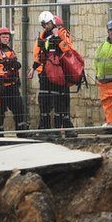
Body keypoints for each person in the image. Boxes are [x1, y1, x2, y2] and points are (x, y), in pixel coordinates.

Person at [31, 10, 75, 138]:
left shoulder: (62, 33)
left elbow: (67, 49)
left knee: (60, 101)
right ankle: (45, 129)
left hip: (60, 72)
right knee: (44, 100)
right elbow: (40, 55)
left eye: (48, 23)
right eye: (44, 24)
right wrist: (33, 68)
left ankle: (60, 129)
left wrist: (57, 39)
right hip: (46, 72)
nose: (47, 26)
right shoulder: (43, 36)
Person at [0, 27, 27, 134]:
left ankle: (21, 131)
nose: (5, 39)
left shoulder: (11, 51)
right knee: (0, 111)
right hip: (1, 86)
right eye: (3, 37)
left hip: (12, 85)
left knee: (19, 107)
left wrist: (18, 80)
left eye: (7, 37)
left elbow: (15, 67)